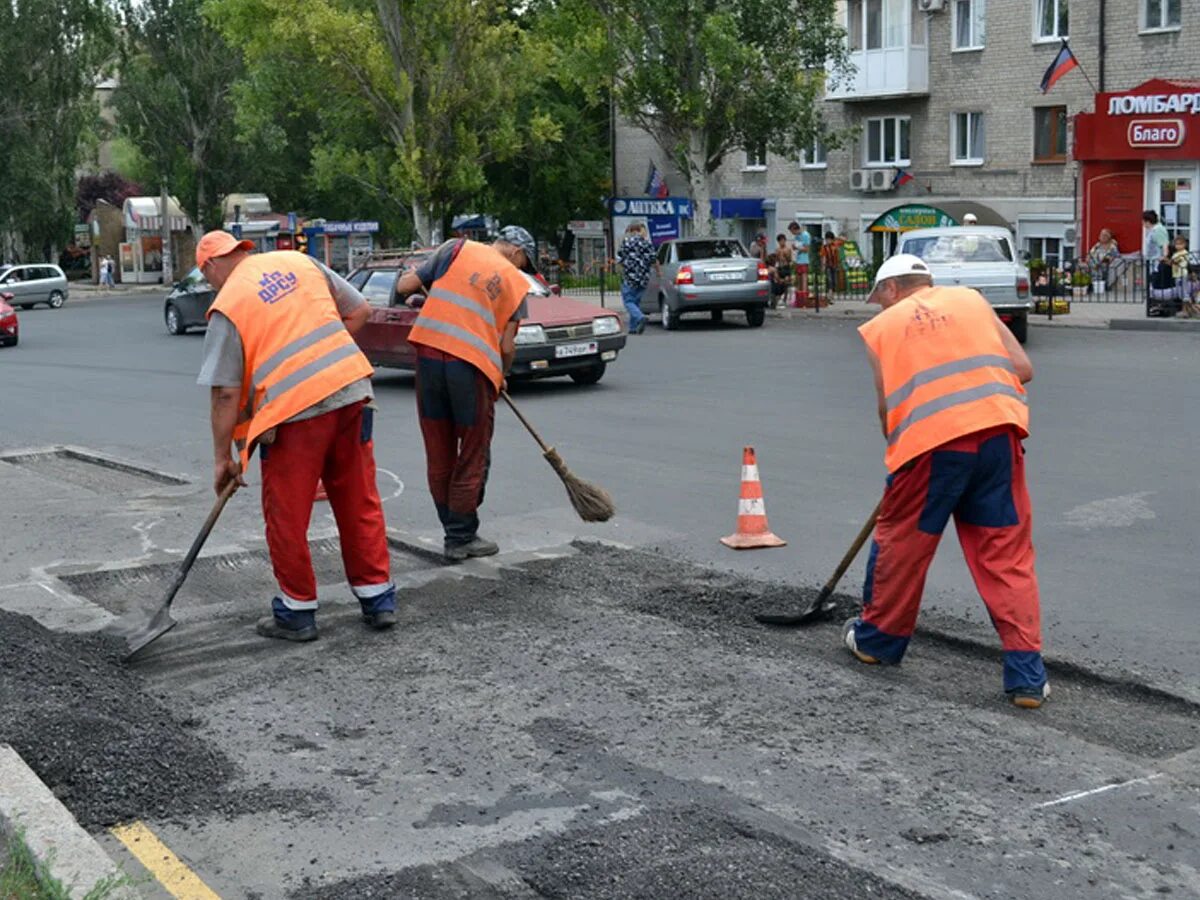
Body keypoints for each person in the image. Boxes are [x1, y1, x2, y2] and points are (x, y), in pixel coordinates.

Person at [845, 254, 1048, 709]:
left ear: (892, 289)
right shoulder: (973, 302)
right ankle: (1026, 678)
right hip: (998, 438)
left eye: (879, 298)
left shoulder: (886, 326)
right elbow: (1023, 369)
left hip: (931, 450)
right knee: (1006, 555)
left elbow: (886, 408)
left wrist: (900, 459)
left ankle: (877, 642)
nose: (878, 308)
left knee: (902, 543)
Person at [195, 230, 396, 642]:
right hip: (352, 392)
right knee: (359, 500)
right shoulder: (300, 263)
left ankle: (297, 610)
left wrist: (222, 459)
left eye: (205, 276)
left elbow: (226, 392)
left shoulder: (228, 305)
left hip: (295, 414)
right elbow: (359, 312)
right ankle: (378, 600)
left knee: (287, 514)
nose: (209, 283)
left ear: (211, 266)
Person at [394, 226, 533, 561]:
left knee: (439, 447)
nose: (524, 269)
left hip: (428, 358)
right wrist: (501, 372)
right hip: (470, 369)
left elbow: (404, 287)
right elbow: (507, 344)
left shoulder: (454, 249)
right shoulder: (515, 282)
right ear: (516, 251)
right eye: (526, 261)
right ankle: (461, 536)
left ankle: (451, 529)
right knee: (473, 451)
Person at [617, 223, 654, 334]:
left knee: (628, 301)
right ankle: (633, 327)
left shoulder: (627, 242)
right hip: (643, 277)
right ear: (640, 230)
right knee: (636, 302)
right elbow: (653, 258)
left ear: (631, 231)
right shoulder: (646, 243)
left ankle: (640, 317)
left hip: (630, 277)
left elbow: (620, 256)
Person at [787, 222, 811, 306]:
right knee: (798, 281)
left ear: (795, 228)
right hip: (798, 260)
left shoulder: (805, 235)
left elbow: (807, 249)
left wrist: (797, 247)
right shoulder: (797, 237)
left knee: (804, 280)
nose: (792, 234)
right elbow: (797, 247)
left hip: (804, 260)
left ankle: (804, 299)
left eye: (792, 231)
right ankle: (799, 299)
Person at [820, 231, 843, 302]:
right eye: (826, 239)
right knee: (829, 280)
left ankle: (832, 296)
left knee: (834, 281)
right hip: (828, 266)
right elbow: (823, 257)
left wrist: (835, 238)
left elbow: (844, 240)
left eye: (829, 239)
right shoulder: (824, 247)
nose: (827, 241)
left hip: (835, 265)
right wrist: (823, 266)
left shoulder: (835, 245)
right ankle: (829, 296)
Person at [773, 234, 793, 307]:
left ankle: (785, 299)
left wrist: (786, 256)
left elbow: (790, 260)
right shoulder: (777, 250)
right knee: (779, 283)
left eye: (783, 241)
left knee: (786, 283)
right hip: (780, 267)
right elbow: (776, 260)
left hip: (786, 267)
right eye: (780, 241)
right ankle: (778, 299)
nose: (782, 242)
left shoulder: (788, 249)